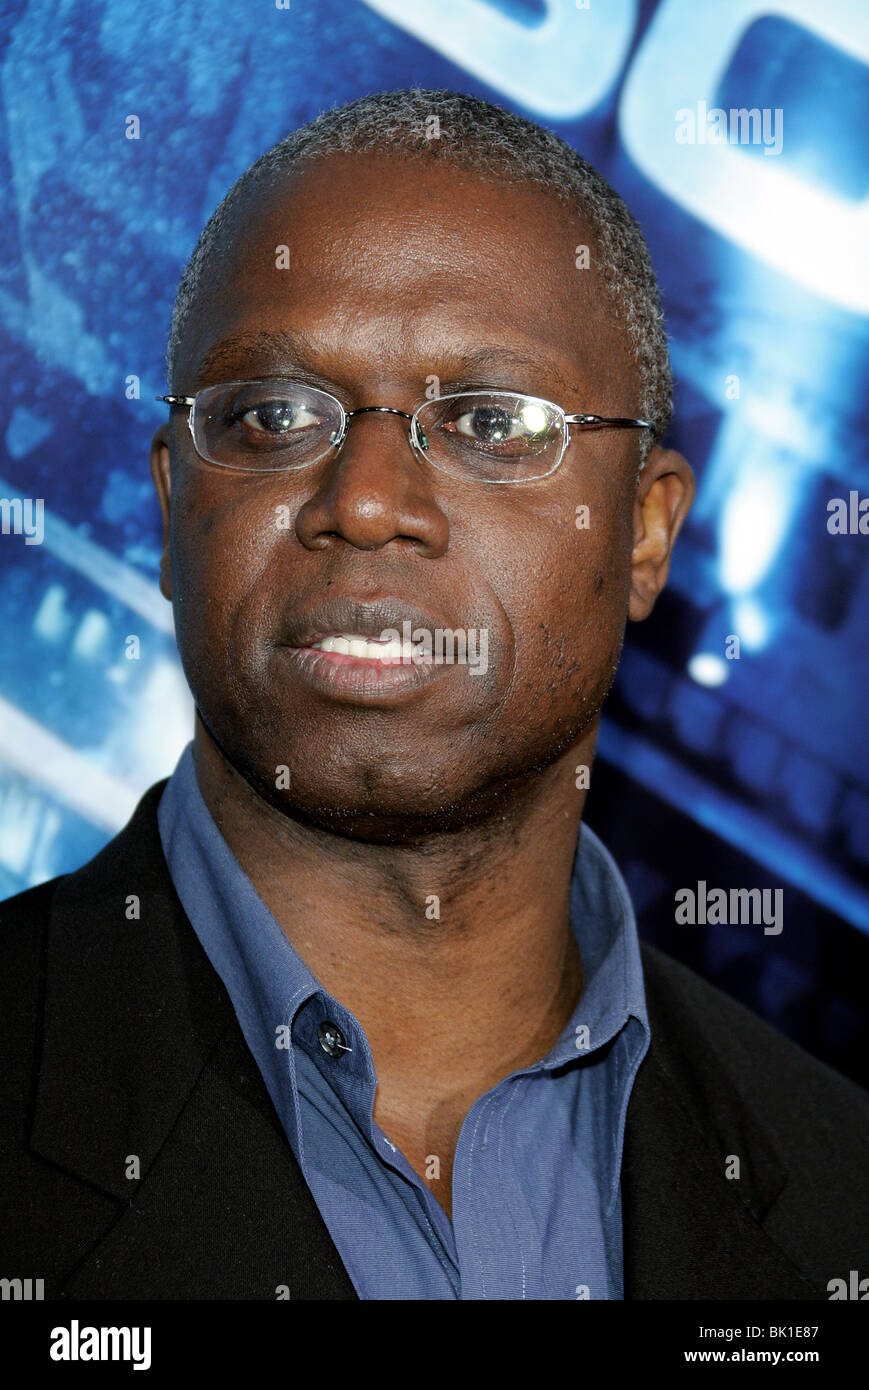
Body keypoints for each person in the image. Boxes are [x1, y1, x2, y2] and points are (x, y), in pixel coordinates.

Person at [1, 88, 866, 1301]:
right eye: (270, 414)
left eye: (492, 421)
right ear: (169, 503)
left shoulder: (841, 1194)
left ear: (643, 534)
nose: (363, 498)